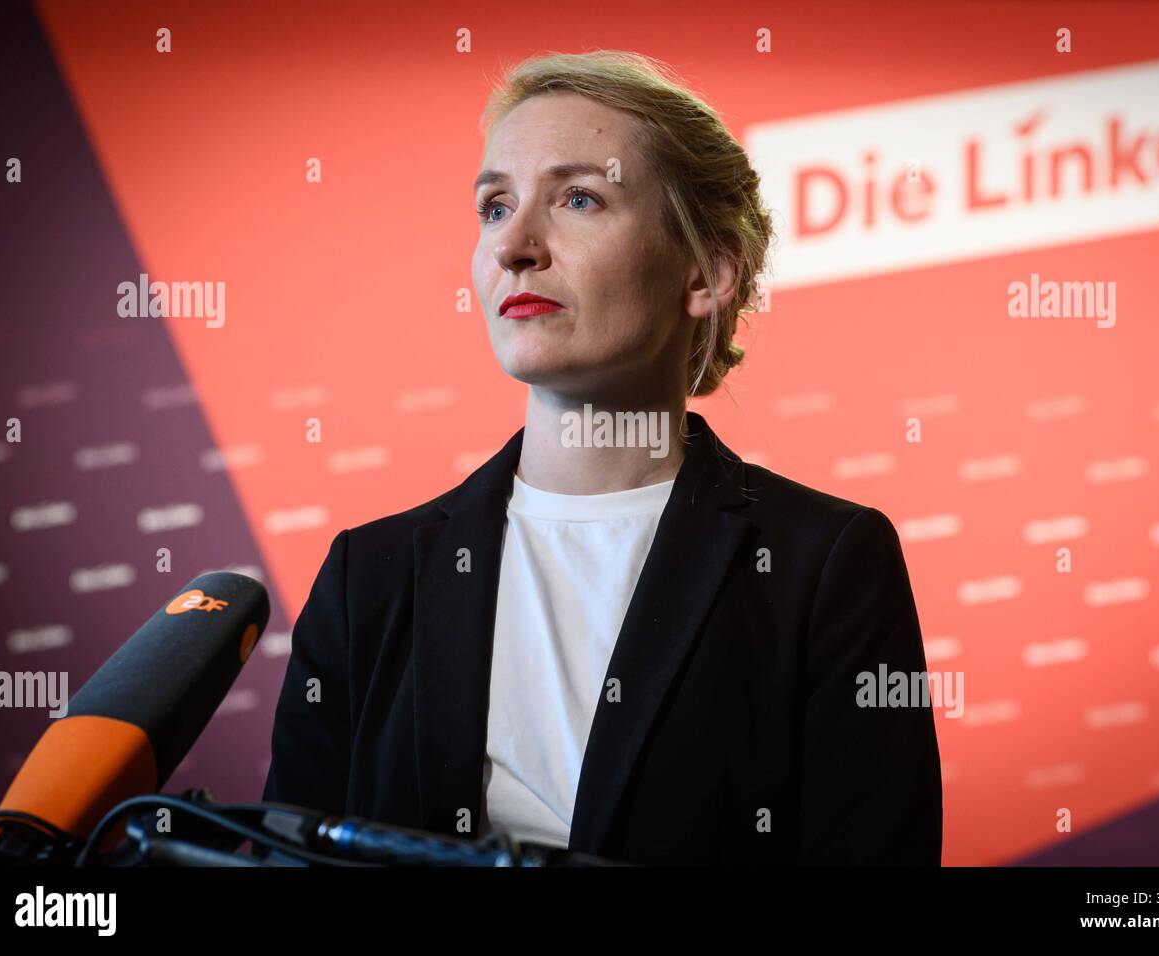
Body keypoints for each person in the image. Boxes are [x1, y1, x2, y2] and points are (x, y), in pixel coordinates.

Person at [263, 49, 942, 865]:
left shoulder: (823, 566)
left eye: (579, 199)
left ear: (707, 273)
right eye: (494, 207)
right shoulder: (368, 578)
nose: (515, 245)